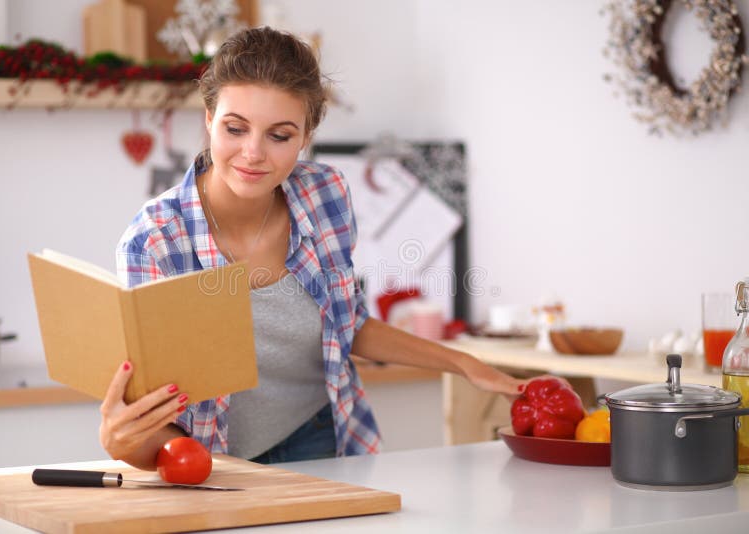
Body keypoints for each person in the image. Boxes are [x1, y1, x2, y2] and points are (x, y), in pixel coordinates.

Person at [99, 26, 551, 470]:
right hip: (209, 460)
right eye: (235, 128)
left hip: (320, 435)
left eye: (279, 136)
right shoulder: (153, 242)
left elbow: (347, 322)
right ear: (209, 118)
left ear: (305, 136)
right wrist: (123, 443)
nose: (253, 153)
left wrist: (464, 363)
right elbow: (154, 407)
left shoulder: (324, 194)